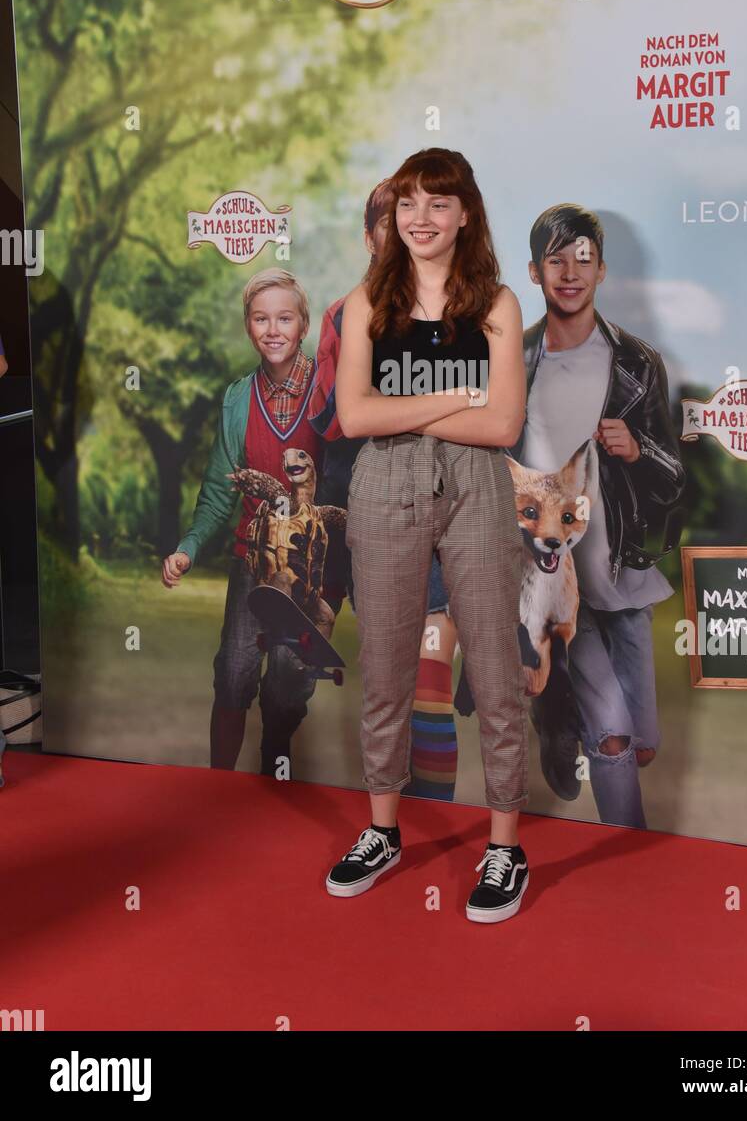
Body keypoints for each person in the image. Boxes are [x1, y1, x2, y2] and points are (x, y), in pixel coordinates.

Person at [325, 148, 531, 923]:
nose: (420, 218)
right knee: (385, 671)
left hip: (477, 489)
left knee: (498, 675)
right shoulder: (364, 304)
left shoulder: (497, 304)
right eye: (408, 203)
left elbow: (503, 424)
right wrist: (454, 393)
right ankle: (382, 831)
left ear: (464, 214)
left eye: (437, 204)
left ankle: (505, 846)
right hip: (383, 488)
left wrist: (409, 403)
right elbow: (354, 418)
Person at [510, 204, 685, 829]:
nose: (569, 271)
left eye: (582, 258)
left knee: (640, 743)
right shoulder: (514, 361)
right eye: (554, 259)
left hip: (623, 572)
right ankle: (628, 860)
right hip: (555, 580)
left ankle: (557, 717)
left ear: (602, 269)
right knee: (611, 735)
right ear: (534, 272)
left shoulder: (637, 364)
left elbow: (673, 479)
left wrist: (638, 451)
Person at [307, 179, 461, 801]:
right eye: (389, 219)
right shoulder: (344, 315)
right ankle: (390, 826)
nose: (403, 230)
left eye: (419, 216)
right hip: (366, 514)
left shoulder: (463, 307)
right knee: (387, 689)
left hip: (443, 512)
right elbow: (332, 422)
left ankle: (438, 821)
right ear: (369, 234)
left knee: (431, 690)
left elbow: (482, 418)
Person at [161, 268, 329, 777]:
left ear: (303, 325)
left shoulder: (330, 391)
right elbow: (218, 491)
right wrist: (188, 547)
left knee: (287, 673)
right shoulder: (238, 399)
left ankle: (274, 757)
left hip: (310, 571)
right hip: (251, 561)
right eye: (261, 319)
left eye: (284, 318)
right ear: (248, 327)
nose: (273, 329)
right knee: (233, 672)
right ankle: (220, 783)